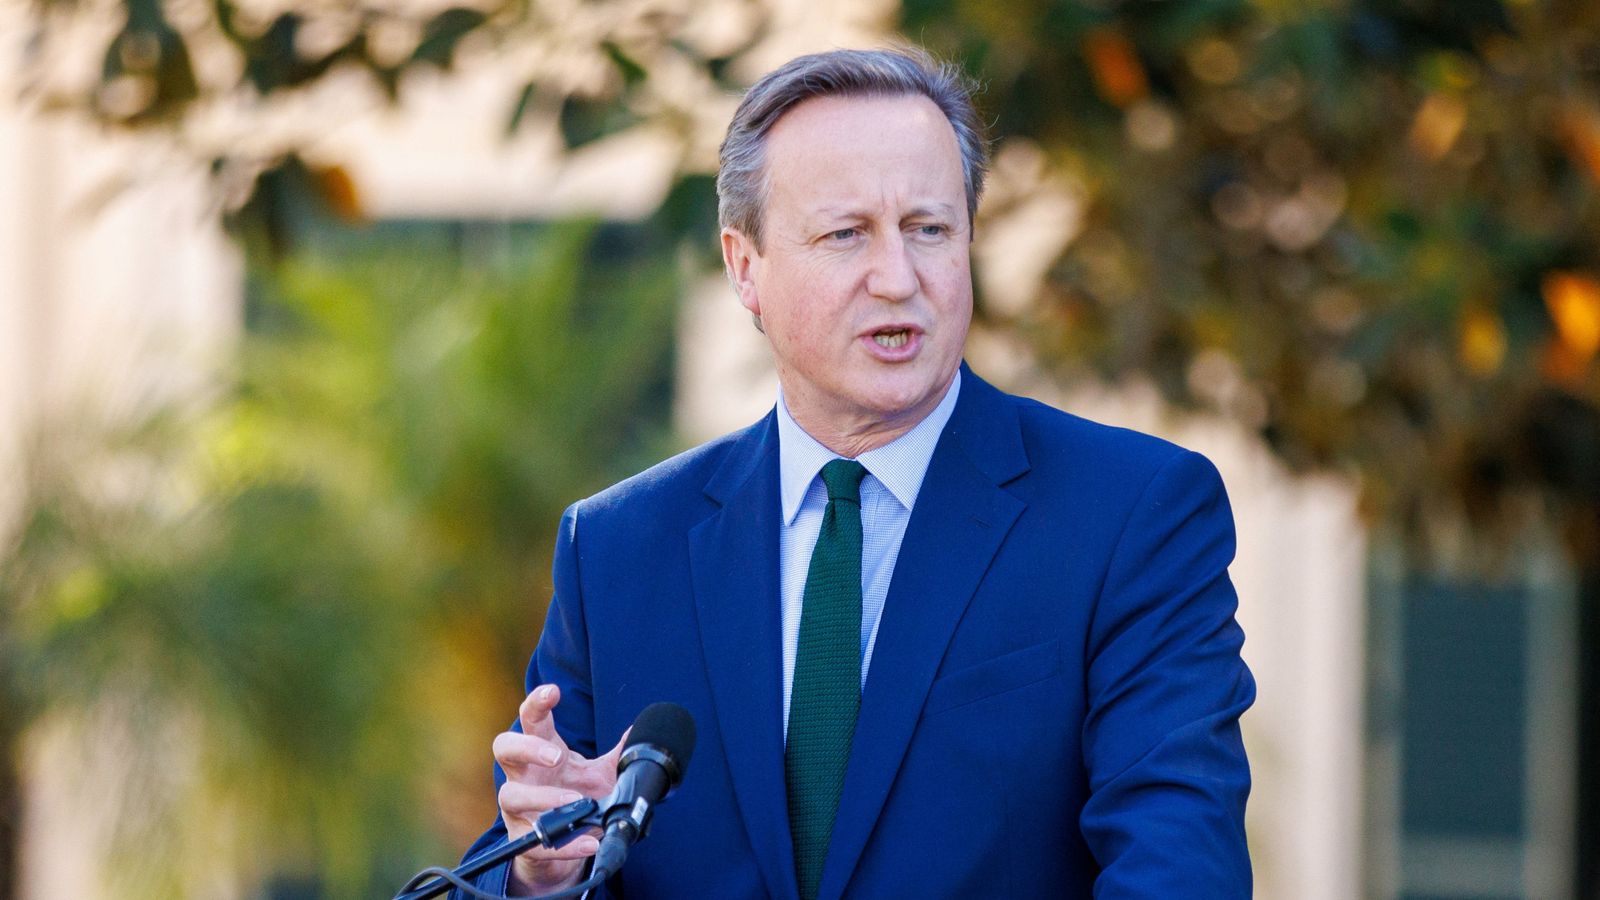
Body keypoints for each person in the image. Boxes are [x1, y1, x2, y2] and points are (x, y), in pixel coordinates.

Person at [456, 46, 1254, 899]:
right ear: (744, 266)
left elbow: (1179, 872)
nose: (899, 278)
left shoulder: (1132, 514)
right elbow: (532, 858)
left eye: (929, 229)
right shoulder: (617, 551)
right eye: (847, 235)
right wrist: (539, 875)